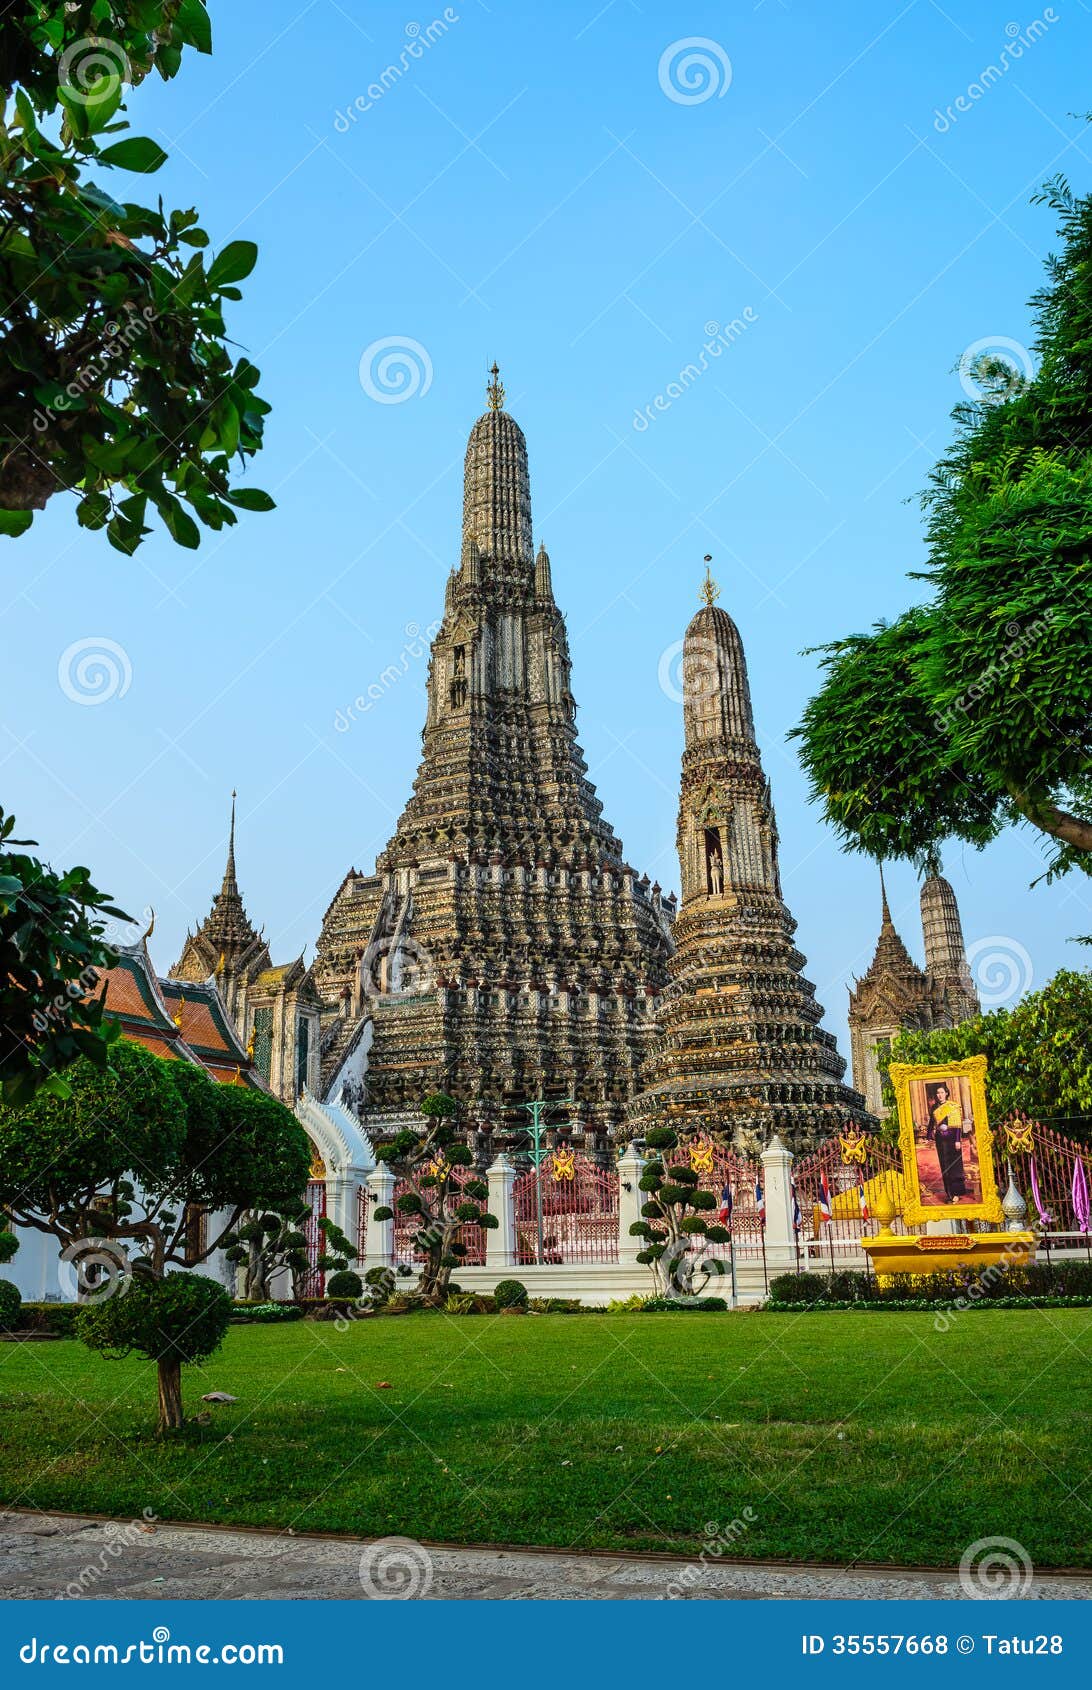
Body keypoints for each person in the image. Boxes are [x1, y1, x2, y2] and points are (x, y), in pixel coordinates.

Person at [927, 1081, 968, 1200]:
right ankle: (949, 1193)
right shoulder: (934, 1107)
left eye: (942, 1092)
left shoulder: (953, 1106)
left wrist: (957, 1140)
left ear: (946, 1093)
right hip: (940, 1140)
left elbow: (958, 1126)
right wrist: (929, 1137)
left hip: (952, 1139)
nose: (939, 1095)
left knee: (955, 1165)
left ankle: (957, 1192)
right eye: (938, 1093)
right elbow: (931, 1124)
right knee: (944, 1166)